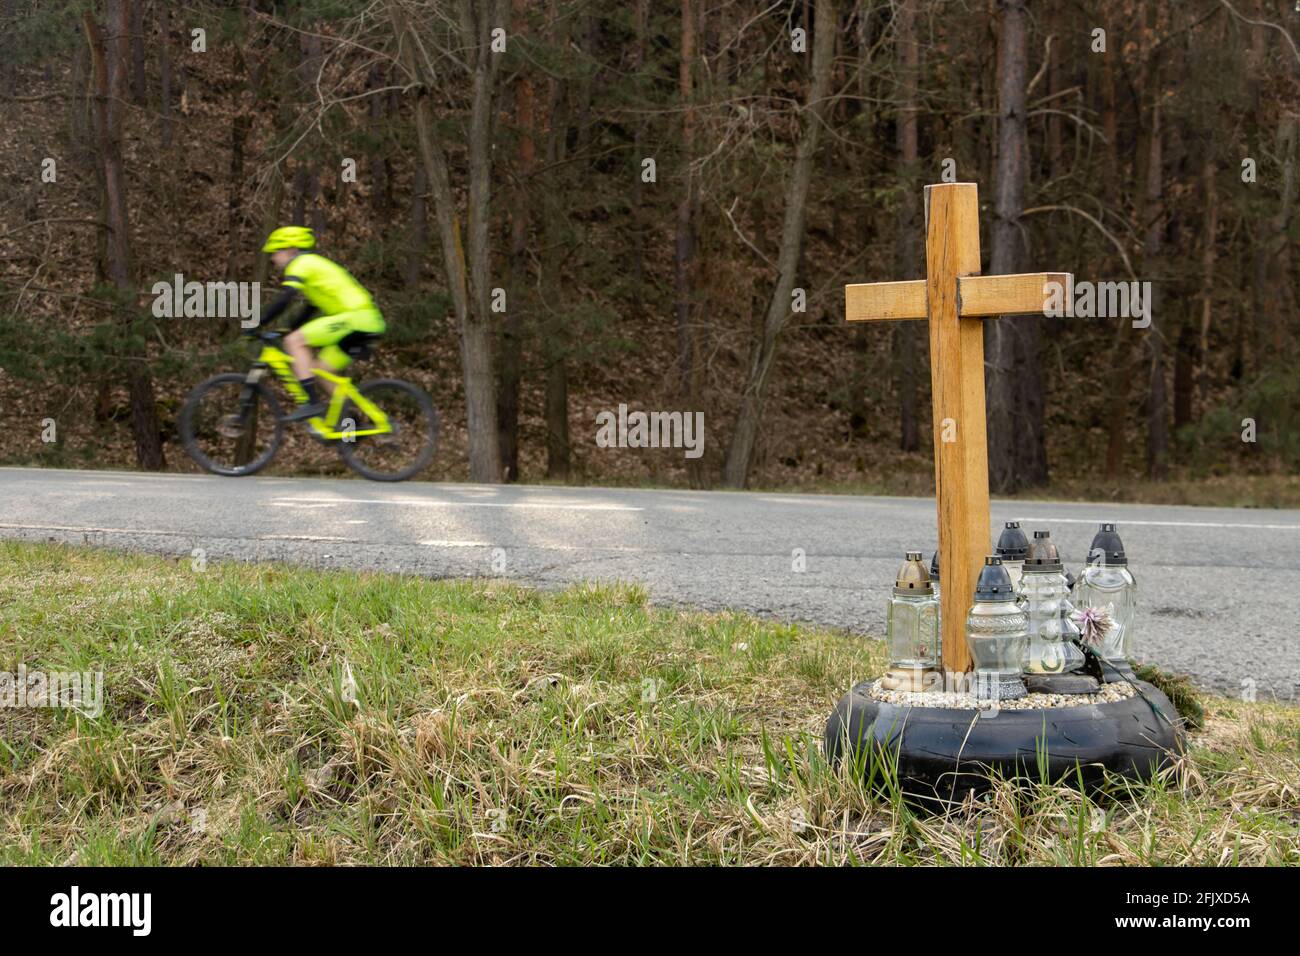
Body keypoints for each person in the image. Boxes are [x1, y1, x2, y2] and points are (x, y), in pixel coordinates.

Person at [259, 226, 385, 421]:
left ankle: (312, 403)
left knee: (294, 342)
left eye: (276, 252)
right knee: (321, 371)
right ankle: (351, 424)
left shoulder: (301, 263)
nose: (273, 258)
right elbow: (310, 307)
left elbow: (286, 298)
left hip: (355, 318)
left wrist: (259, 322)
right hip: (365, 321)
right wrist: (285, 329)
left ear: (291, 250)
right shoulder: (314, 266)